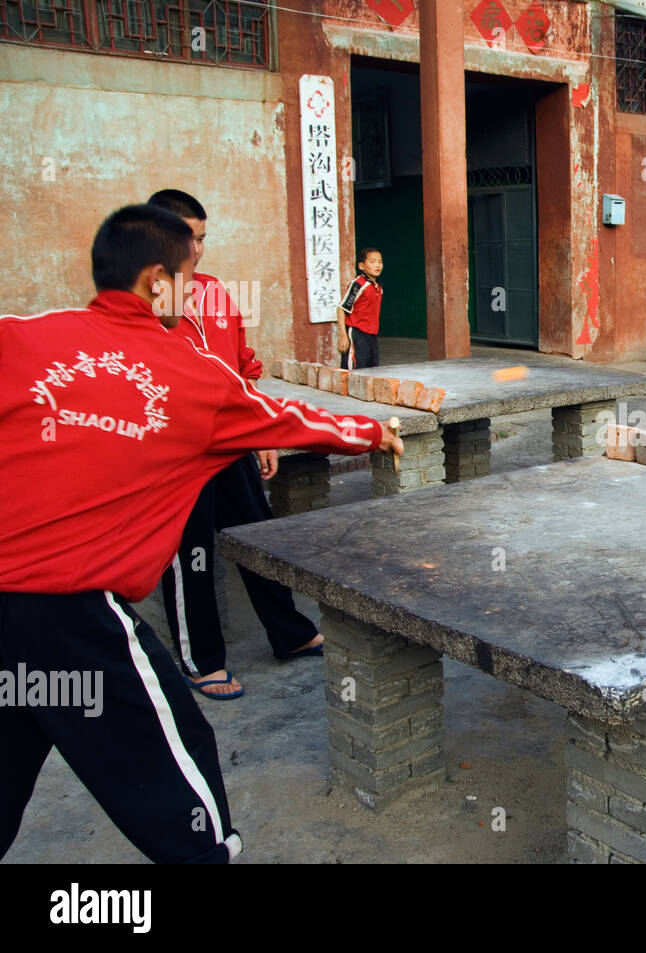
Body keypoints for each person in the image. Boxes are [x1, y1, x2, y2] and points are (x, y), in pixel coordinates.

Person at [0, 204, 402, 863]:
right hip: (68, 617)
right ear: (157, 280)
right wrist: (369, 430)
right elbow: (284, 416)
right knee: (180, 778)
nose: (194, 291)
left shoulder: (19, 337)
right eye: (189, 276)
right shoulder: (187, 370)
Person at [148, 189, 322, 700]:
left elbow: (244, 370)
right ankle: (201, 659)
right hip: (177, 459)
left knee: (257, 538)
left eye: (202, 238)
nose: (198, 249)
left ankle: (288, 634)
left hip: (231, 445)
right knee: (191, 552)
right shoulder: (137, 305)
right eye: (188, 238)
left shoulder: (217, 293)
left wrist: (262, 430)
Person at [337, 248, 384, 370]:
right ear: (361, 265)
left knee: (372, 370)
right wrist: (343, 335)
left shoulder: (378, 287)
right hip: (357, 334)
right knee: (354, 371)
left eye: (380, 262)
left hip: (372, 334)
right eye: (373, 262)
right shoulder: (359, 284)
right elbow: (341, 308)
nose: (377, 265)